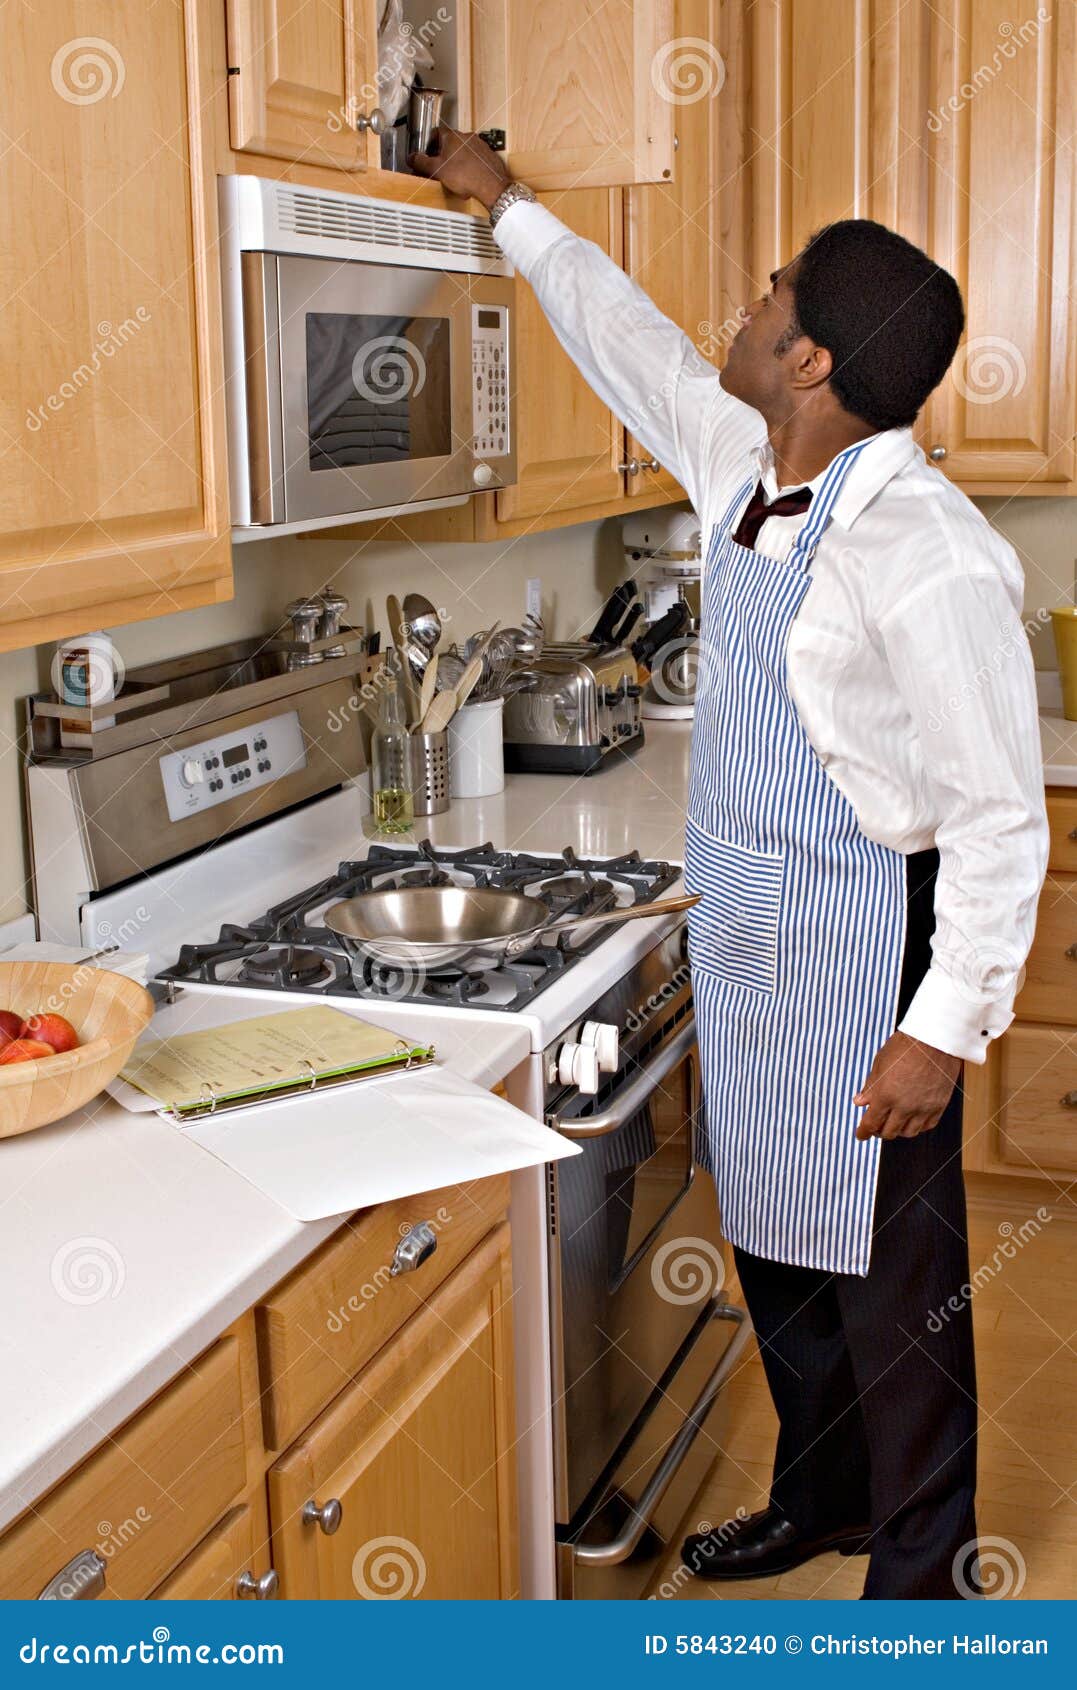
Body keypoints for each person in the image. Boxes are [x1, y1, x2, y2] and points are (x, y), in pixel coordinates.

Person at [410, 131, 1049, 1600]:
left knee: (895, 1293)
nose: (746, 311)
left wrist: (935, 1034)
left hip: (866, 941)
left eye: (770, 296)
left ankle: (920, 1570)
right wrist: (509, 209)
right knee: (773, 1245)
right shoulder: (744, 463)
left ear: (811, 358)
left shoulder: (930, 553)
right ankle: (818, 1495)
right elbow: (623, 338)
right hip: (751, 924)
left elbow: (1001, 819)